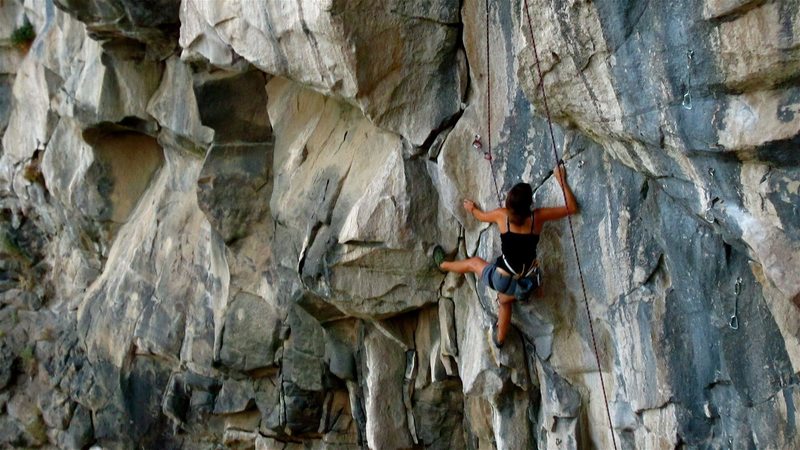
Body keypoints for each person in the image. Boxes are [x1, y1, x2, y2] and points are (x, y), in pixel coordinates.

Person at [434, 163, 578, 347]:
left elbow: (480, 216)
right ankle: (503, 329)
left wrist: (472, 209)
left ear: (509, 204)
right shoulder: (537, 217)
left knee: (474, 263)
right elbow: (571, 208)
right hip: (527, 279)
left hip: (501, 279)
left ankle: (443, 265)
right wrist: (560, 180)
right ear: (529, 206)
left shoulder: (502, 216)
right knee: (504, 301)